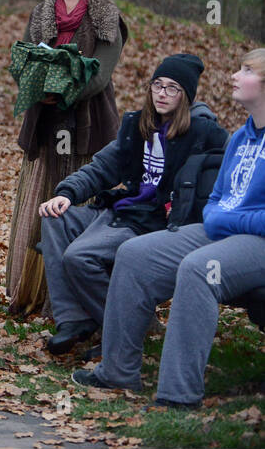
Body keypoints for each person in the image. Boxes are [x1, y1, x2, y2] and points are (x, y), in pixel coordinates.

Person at [74, 49, 265, 408]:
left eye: (246, 70)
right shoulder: (241, 138)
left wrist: (227, 217)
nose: (234, 77)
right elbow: (219, 198)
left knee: (198, 270)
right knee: (132, 253)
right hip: (223, 230)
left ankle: (178, 395)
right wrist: (221, 216)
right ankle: (117, 371)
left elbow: (231, 213)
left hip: (257, 241)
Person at [37, 54, 226, 355]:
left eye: (173, 88)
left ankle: (120, 331)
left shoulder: (203, 135)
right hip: (123, 209)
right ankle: (74, 319)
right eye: (158, 85)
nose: (162, 93)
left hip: (152, 223)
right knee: (54, 217)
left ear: (186, 95)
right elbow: (102, 167)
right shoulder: (139, 126)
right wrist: (67, 193)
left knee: (79, 256)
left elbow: (215, 188)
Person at [6, 0, 127, 317]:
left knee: (76, 207)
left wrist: (53, 91)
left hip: (88, 130)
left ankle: (77, 303)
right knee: (38, 206)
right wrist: (32, 86)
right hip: (45, 127)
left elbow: (98, 75)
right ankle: (33, 295)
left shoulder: (107, 17)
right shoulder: (43, 12)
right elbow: (24, 61)